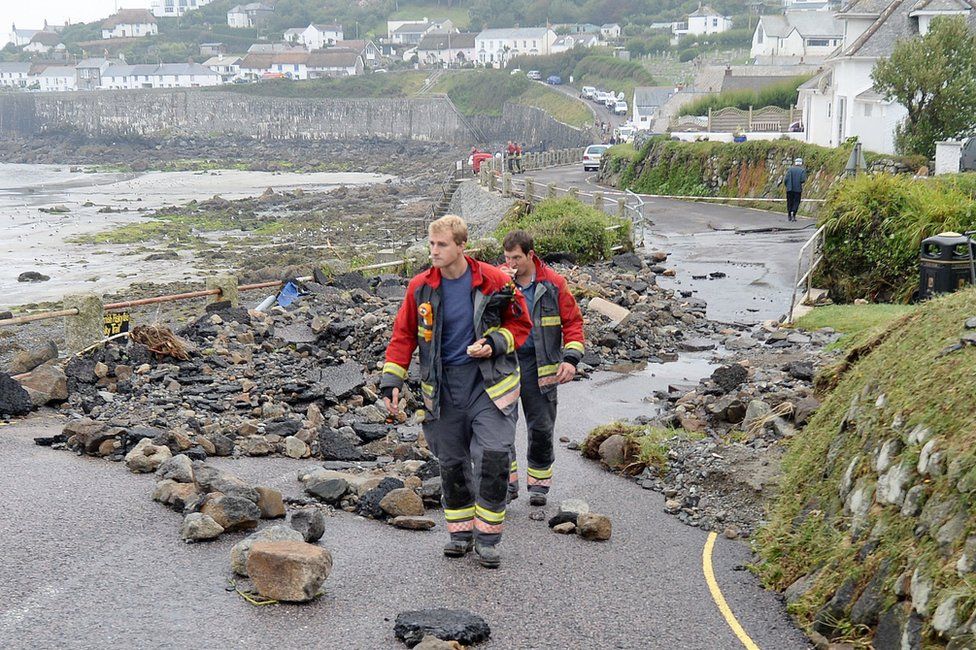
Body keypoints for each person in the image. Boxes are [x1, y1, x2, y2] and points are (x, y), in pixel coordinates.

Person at [381, 215, 531, 569]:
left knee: (494, 455)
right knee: (451, 463)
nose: (434, 251)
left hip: (489, 386)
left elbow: (520, 323)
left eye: (442, 244)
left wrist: (493, 343)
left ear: (462, 246)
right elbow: (403, 335)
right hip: (444, 391)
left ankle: (489, 540)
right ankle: (460, 534)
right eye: (431, 244)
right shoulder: (420, 287)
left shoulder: (493, 280)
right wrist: (393, 381)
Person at [499, 230, 585, 506]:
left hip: (542, 369)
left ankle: (538, 487)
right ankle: (505, 485)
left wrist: (570, 360)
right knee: (500, 430)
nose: (511, 263)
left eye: (516, 258)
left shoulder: (554, 284)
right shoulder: (500, 282)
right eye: (507, 257)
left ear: (530, 255)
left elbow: (573, 324)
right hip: (505, 367)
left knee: (541, 429)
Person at [784, 157, 807, 222]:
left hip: (789, 189)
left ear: (795, 163)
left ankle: (789, 215)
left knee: (789, 202)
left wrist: (787, 186)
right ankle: (794, 215)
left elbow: (786, 179)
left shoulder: (790, 169)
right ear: (801, 163)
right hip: (798, 189)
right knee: (796, 202)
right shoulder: (802, 170)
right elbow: (803, 180)